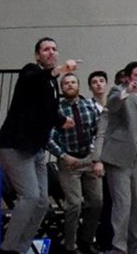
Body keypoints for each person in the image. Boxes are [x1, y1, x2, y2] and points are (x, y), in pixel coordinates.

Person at [0, 36, 83, 254]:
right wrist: (62, 69)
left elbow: (46, 110)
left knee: (43, 202)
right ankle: (7, 248)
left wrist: (63, 121)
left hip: (36, 147)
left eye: (54, 49)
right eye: (46, 49)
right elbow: (34, 80)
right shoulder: (30, 72)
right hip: (15, 145)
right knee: (30, 196)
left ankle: (21, 247)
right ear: (37, 55)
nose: (51, 52)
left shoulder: (51, 82)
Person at [99, 61, 137, 254]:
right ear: (129, 78)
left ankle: (136, 246)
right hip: (119, 157)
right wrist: (127, 91)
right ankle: (118, 247)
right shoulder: (120, 91)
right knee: (123, 204)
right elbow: (112, 104)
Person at [49, 70, 107, 254]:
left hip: (89, 158)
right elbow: (48, 138)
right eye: (66, 83)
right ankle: (70, 246)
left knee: (97, 202)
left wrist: (98, 159)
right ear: (61, 88)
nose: (70, 85)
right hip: (68, 161)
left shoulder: (88, 106)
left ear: (79, 86)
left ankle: (86, 240)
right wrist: (64, 156)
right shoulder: (56, 110)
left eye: (73, 82)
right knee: (74, 204)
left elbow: (100, 134)